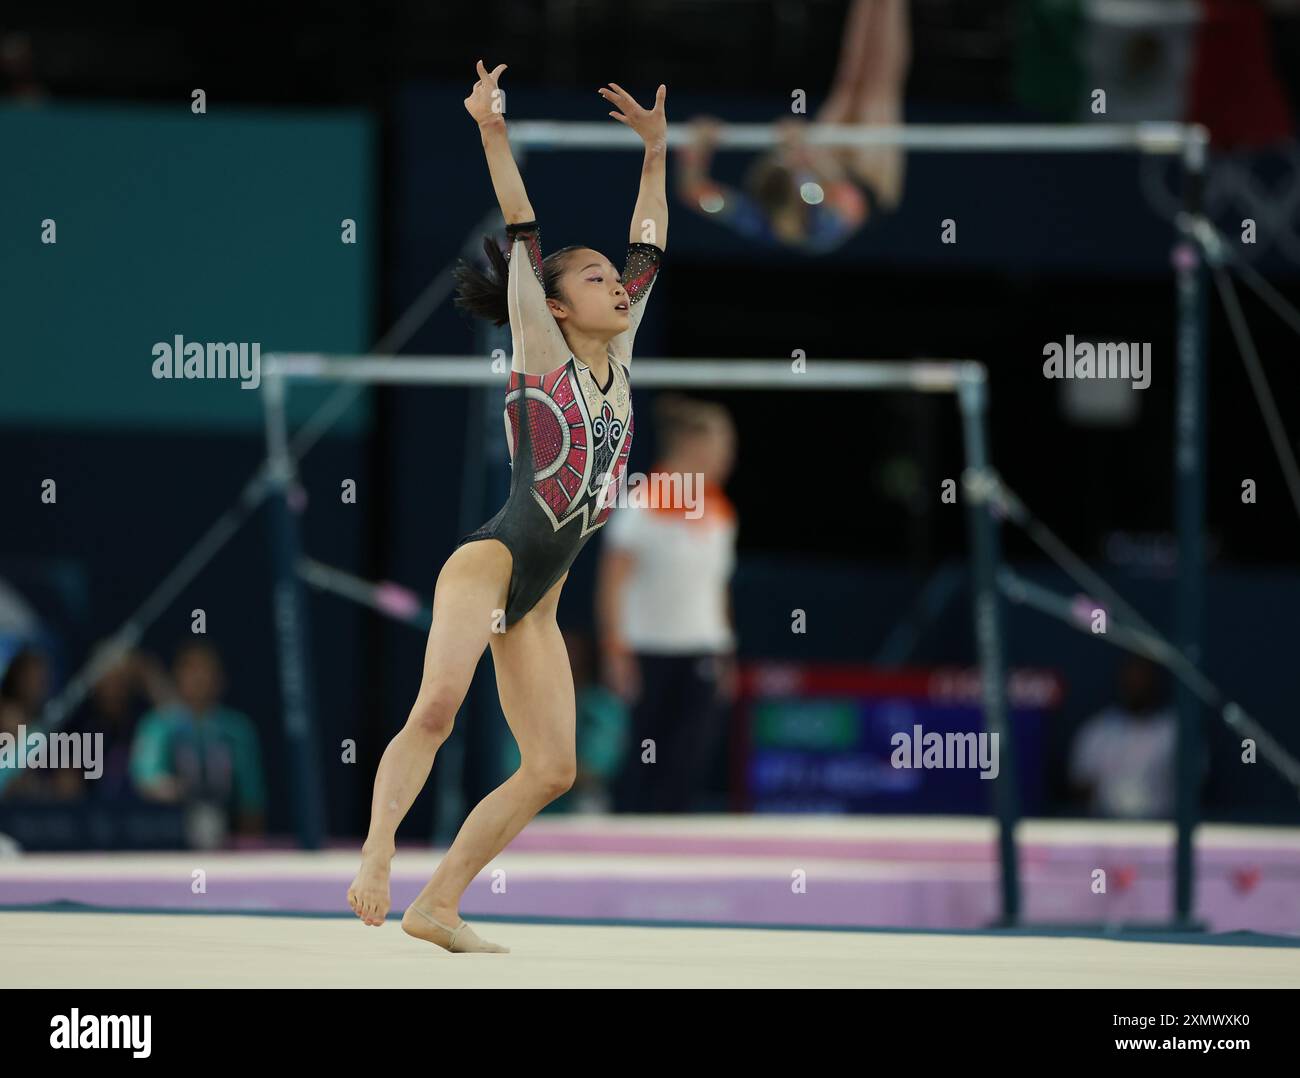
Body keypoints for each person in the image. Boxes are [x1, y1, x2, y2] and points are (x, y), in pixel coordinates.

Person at [345, 60, 667, 953]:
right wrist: (491, 128)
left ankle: (437, 902)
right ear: (553, 306)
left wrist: (656, 154)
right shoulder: (542, 347)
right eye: (595, 279)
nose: (616, 285)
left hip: (541, 600)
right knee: (439, 707)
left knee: (554, 767)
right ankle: (376, 858)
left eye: (615, 280)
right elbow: (522, 227)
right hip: (489, 563)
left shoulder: (619, 352)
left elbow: (651, 245)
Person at [597, 396, 739, 813]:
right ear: (693, 448)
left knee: (688, 760)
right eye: (721, 447)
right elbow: (611, 583)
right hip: (648, 649)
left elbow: (718, 587)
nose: (727, 458)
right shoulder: (641, 505)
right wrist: (615, 651)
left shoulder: (719, 511)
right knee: (643, 757)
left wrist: (726, 650)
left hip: (702, 648)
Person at [677, 0, 910, 253]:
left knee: (850, 81)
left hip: (824, 161)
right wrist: (808, 152)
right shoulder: (823, 231)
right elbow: (850, 198)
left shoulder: (755, 219)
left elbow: (694, 191)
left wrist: (697, 147)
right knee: (879, 88)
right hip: (866, 182)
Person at [129, 642, 267, 837]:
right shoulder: (158, 725)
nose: (199, 677)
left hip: (228, 837)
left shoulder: (237, 729)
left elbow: (251, 799)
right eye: (191, 668)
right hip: (166, 836)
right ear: (177, 675)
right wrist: (173, 791)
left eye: (207, 669)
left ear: (221, 679)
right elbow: (146, 779)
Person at [499, 630, 629, 814]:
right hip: (534, 801)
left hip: (586, 798)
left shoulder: (600, 705)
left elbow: (604, 761)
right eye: (564, 647)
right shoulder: (530, 702)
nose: (570, 656)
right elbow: (512, 762)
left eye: (575, 649)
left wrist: (566, 770)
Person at [1069, 656, 1180, 819]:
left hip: (1163, 828)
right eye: (1132, 676)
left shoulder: (1173, 730)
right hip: (1107, 830)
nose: (1137, 683)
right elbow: (1080, 784)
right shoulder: (1098, 730)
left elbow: (1193, 786)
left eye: (1143, 676)